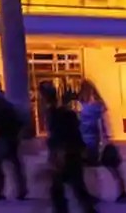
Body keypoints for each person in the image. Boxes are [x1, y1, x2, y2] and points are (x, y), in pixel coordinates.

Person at [41, 84, 97, 213]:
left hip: (66, 156)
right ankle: (88, 209)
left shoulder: (55, 115)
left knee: (59, 189)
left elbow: (59, 137)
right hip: (73, 154)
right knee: (75, 187)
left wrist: (57, 156)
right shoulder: (65, 114)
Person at [78, 80, 126, 203]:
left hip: (94, 141)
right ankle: (117, 191)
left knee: (100, 167)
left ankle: (118, 191)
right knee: (95, 168)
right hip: (90, 141)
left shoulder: (92, 107)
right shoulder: (88, 106)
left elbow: (103, 124)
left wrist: (106, 138)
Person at [0, 86, 27, 201]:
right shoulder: (11, 107)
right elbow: (21, 122)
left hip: (2, 139)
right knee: (16, 166)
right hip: (12, 138)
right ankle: (21, 190)